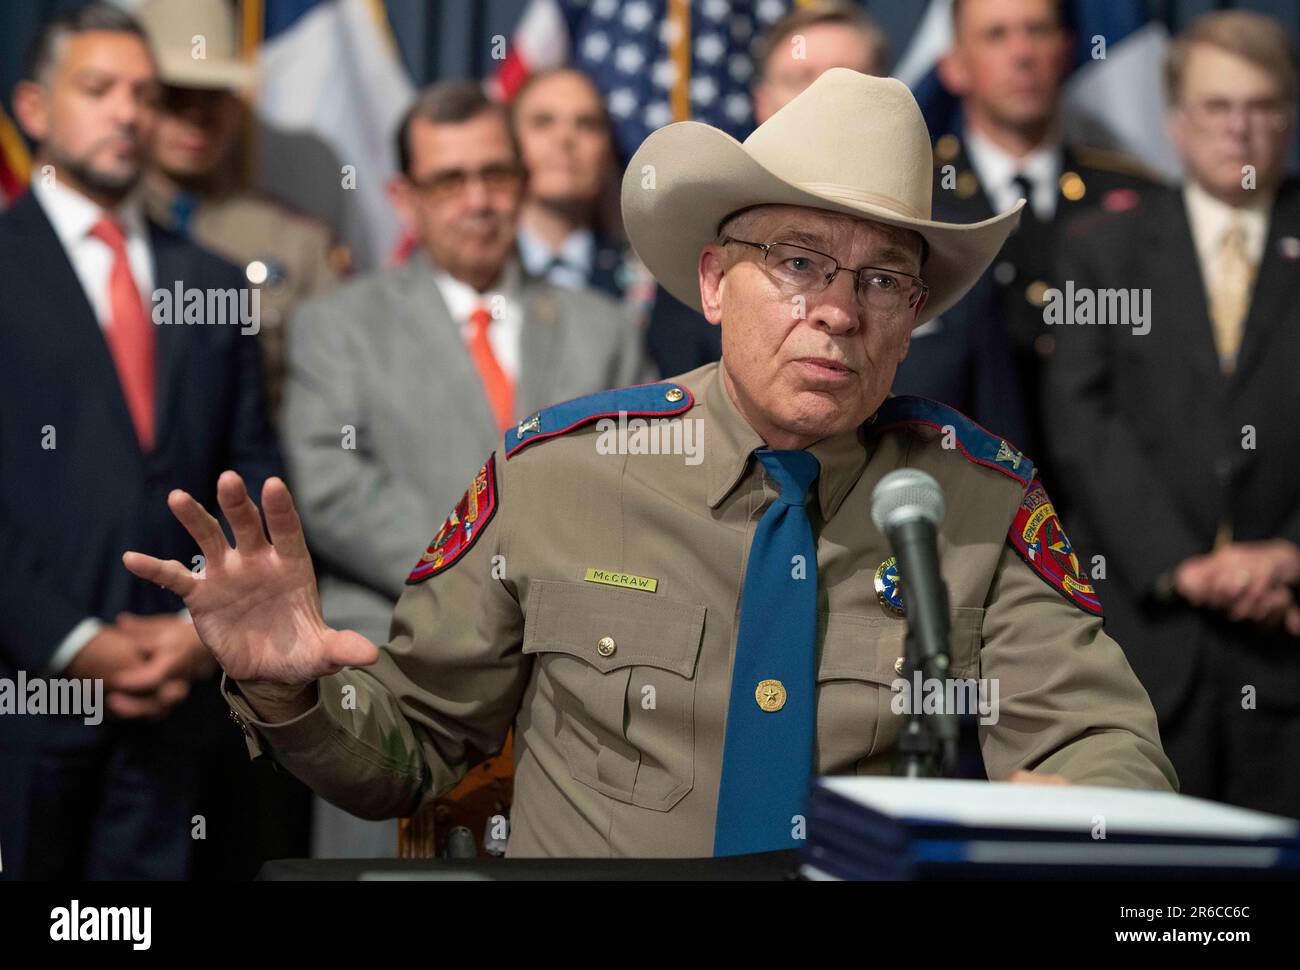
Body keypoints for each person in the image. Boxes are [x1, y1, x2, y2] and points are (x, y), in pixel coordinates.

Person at [125, 69, 1175, 859]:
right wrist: (288, 690)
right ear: (714, 282)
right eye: (800, 262)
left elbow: (1098, 746)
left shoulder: (973, 503)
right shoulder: (557, 474)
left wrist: (1082, 812)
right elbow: (409, 749)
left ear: (912, 322)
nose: (837, 312)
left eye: (883, 281)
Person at [280, 79, 648, 855]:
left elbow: (636, 478)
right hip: (392, 654)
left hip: (571, 676)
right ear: (405, 195)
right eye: (450, 180)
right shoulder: (336, 325)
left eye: (497, 175)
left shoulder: (603, 330)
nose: (478, 200)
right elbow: (330, 486)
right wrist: (495, 577)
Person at [0, 3, 281, 878]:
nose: (128, 111)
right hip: (26, 708)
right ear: (35, 109)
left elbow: (254, 472)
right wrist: (73, 640)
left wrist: (200, 635)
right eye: (99, 89)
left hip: (183, 714)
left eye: (144, 94)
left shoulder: (215, 282)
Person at [1046, 11, 1300, 818]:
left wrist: (1288, 555)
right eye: (1217, 107)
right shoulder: (1100, 248)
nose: (1241, 129)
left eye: (1261, 106)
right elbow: (1081, 421)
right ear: (1177, 122)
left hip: (1286, 639)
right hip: (1145, 640)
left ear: (1289, 115)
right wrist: (1181, 564)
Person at [933, 0, 1162, 479]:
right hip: (969, 499)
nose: (1022, 53)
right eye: (996, 35)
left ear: (1066, 49)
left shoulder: (1137, 201)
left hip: (1116, 498)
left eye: (1037, 31)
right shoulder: (918, 203)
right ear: (954, 67)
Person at [645, 0, 888, 378]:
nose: (821, 99)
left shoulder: (939, 247)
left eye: (846, 80)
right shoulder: (707, 233)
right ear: (762, 103)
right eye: (801, 78)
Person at [136, 0, 344, 422]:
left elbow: (331, 394)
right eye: (174, 98)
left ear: (235, 109)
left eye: (212, 96)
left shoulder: (296, 242)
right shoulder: (89, 230)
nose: (195, 118)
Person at [510, 66, 650, 310]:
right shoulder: (477, 267)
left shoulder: (648, 282)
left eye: (586, 124)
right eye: (543, 122)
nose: (565, 137)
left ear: (608, 151)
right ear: (510, 143)